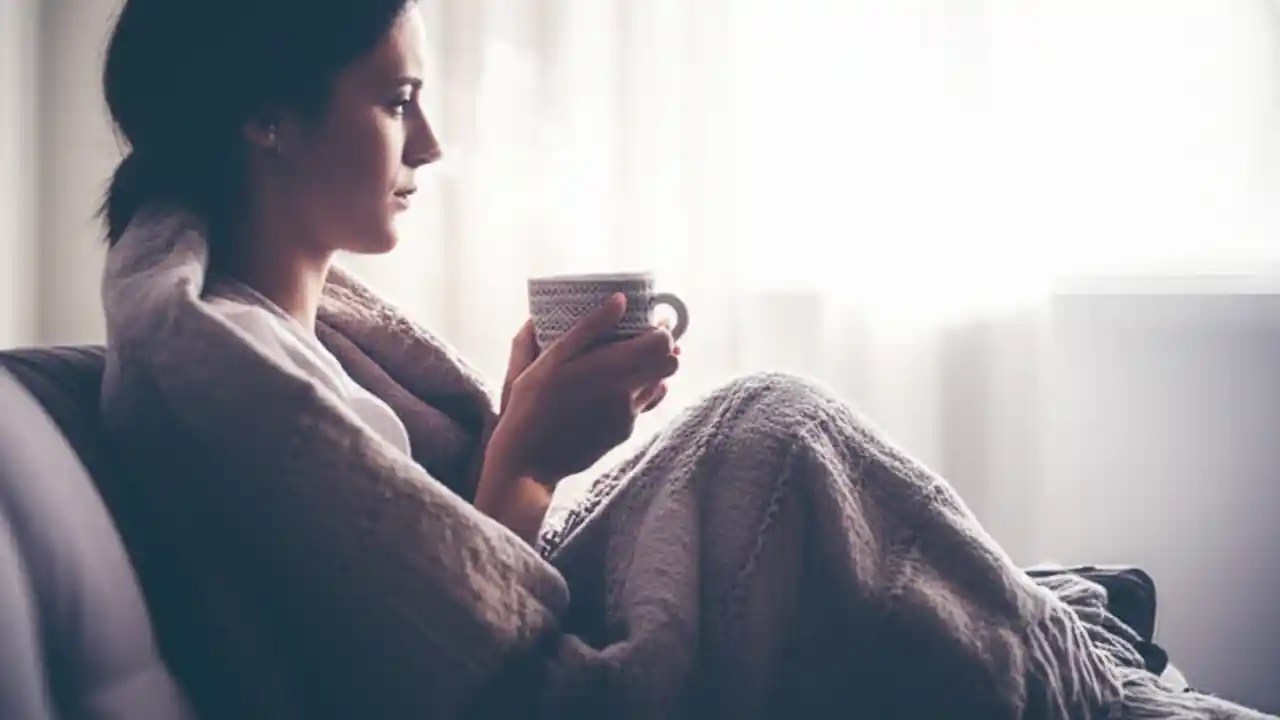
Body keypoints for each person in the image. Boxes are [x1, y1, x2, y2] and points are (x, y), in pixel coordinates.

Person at [97, 1, 1270, 719]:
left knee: (776, 436)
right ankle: (1066, 662)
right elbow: (442, 668)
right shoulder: (245, 387)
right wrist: (526, 457)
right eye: (397, 100)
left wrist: (523, 423)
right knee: (770, 432)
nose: (431, 143)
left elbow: (416, 560)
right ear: (266, 118)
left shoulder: (288, 344)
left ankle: (1048, 636)